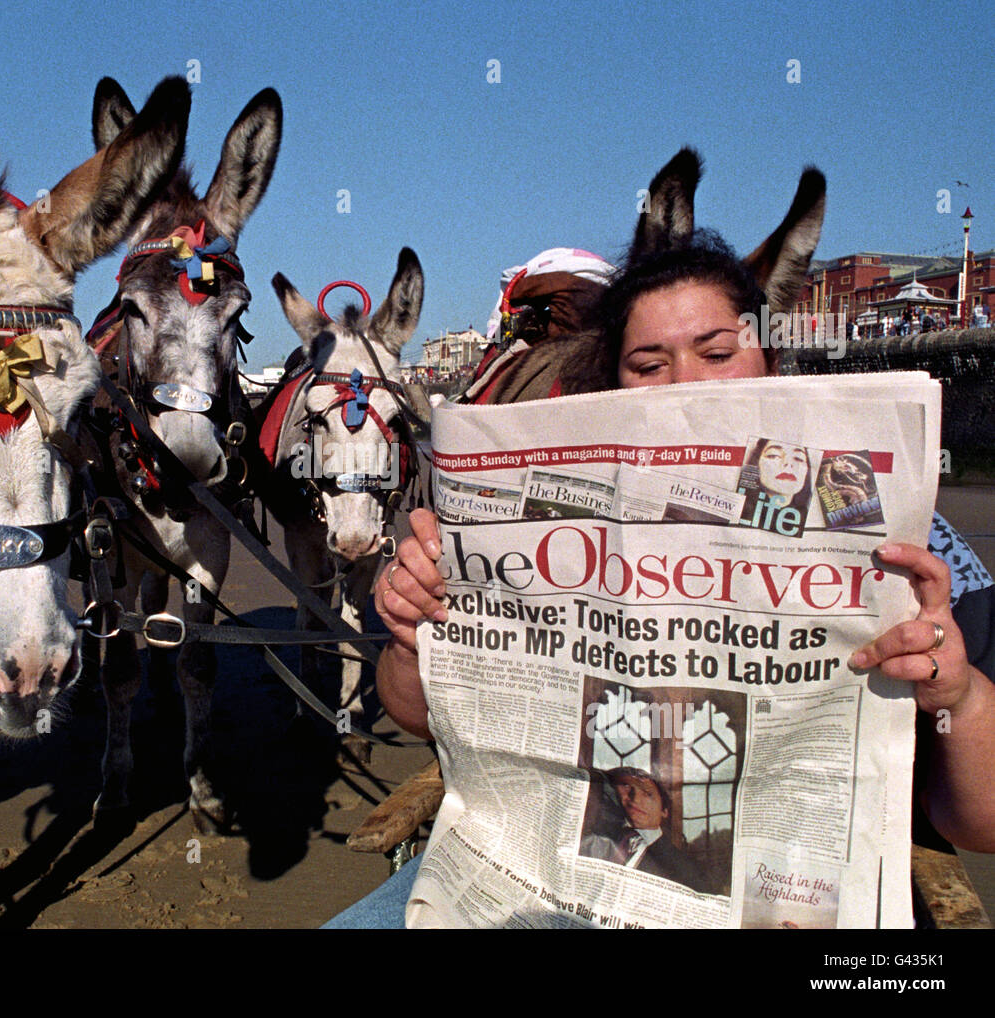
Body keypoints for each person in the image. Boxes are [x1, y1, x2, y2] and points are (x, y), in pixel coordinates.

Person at [330, 233, 995, 927]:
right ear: (612, 385)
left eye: (717, 353)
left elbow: (982, 827)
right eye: (648, 364)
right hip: (541, 883)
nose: (686, 384)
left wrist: (960, 696)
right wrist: (413, 640)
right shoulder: (538, 520)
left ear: (770, 359)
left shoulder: (906, 541)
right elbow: (416, 714)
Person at [579, 768, 709, 893]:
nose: (635, 798)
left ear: (664, 811)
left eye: (647, 793)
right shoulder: (593, 842)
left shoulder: (682, 863)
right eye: (626, 787)